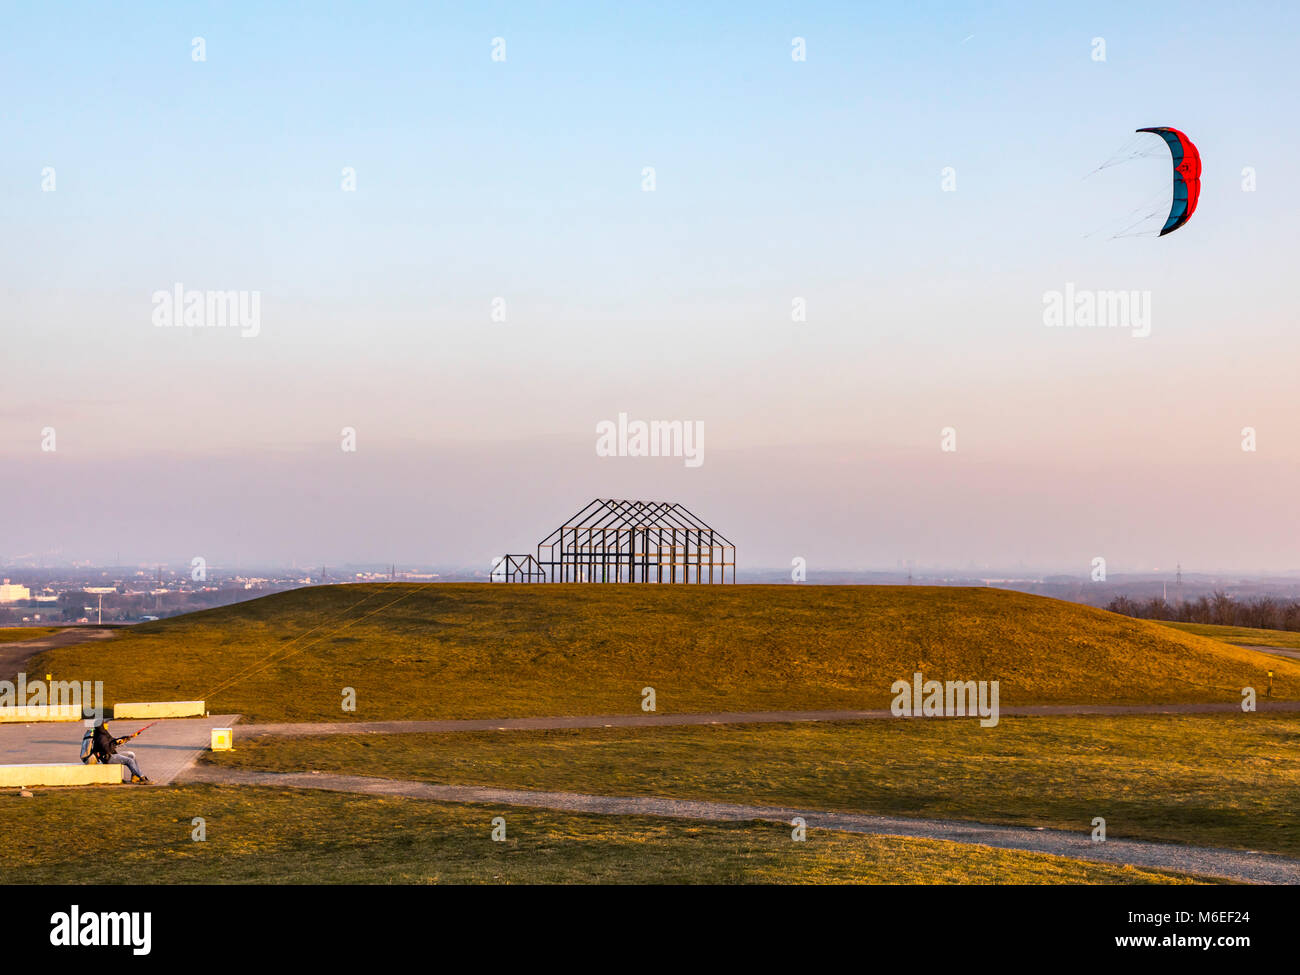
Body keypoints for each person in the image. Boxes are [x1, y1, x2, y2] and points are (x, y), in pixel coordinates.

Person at [90, 719, 150, 784]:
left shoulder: (104, 733)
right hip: (108, 758)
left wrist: (127, 738)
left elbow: (113, 741)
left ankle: (135, 776)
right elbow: (107, 749)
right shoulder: (101, 737)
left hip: (112, 754)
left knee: (131, 754)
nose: (107, 724)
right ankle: (142, 777)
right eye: (105, 723)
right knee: (129, 761)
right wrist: (115, 743)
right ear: (101, 725)